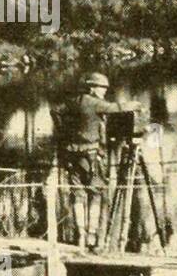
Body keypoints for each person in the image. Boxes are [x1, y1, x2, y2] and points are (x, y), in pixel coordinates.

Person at [52, 72, 138, 249]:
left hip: (71, 153)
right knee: (96, 193)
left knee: (78, 193)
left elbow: (54, 110)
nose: (104, 91)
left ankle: (80, 235)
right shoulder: (94, 103)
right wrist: (135, 104)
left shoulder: (73, 101)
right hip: (91, 154)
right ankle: (91, 234)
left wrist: (63, 132)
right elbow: (116, 108)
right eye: (101, 88)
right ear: (91, 88)